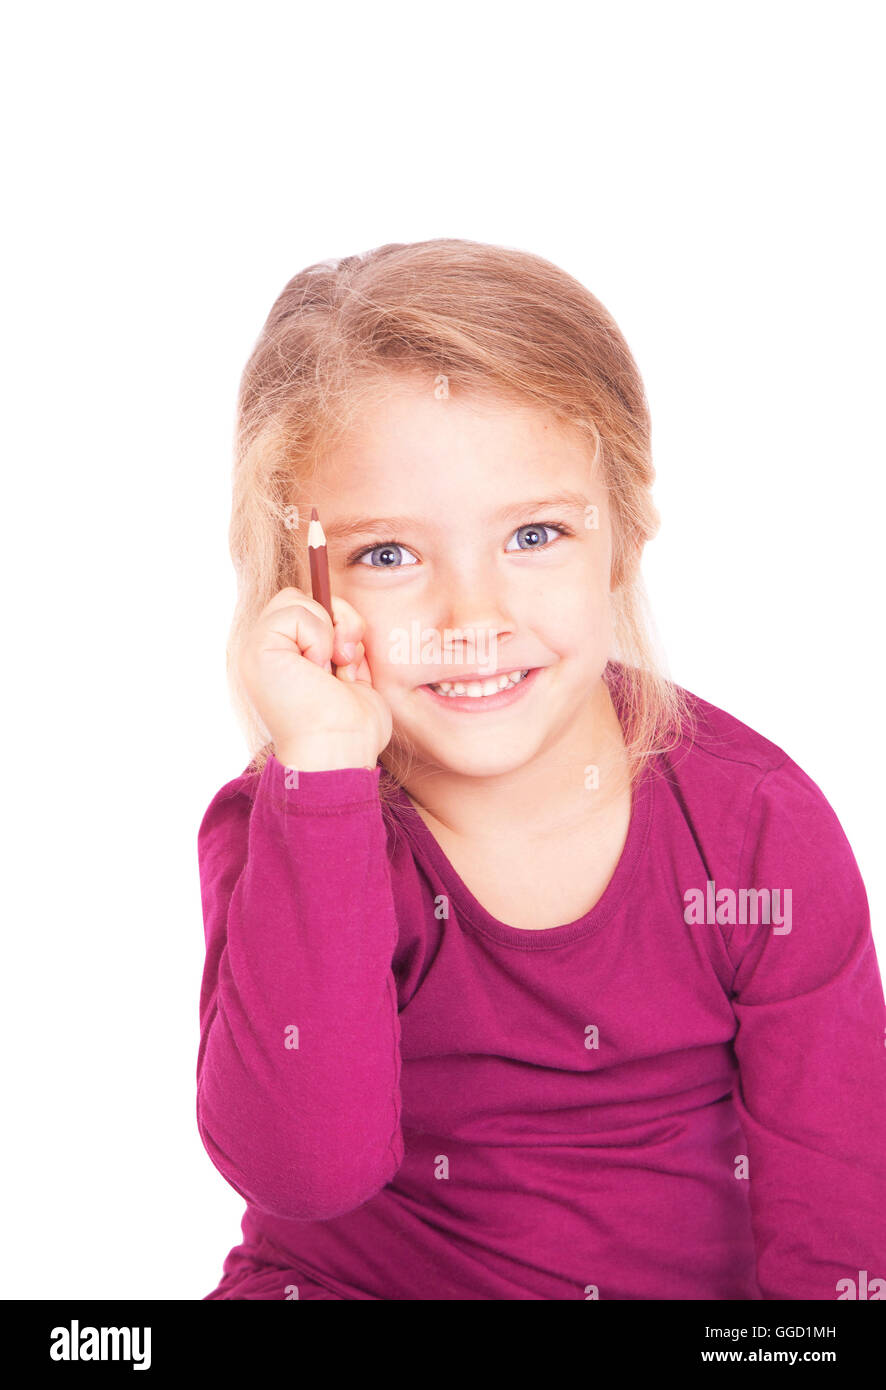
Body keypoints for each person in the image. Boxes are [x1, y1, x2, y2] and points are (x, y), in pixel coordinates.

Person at [196, 239, 886, 1300]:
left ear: (625, 536)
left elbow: (843, 1231)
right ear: (304, 582)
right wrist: (325, 776)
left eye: (533, 534)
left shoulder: (755, 826)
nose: (472, 617)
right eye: (389, 555)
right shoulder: (289, 818)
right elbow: (305, 1173)